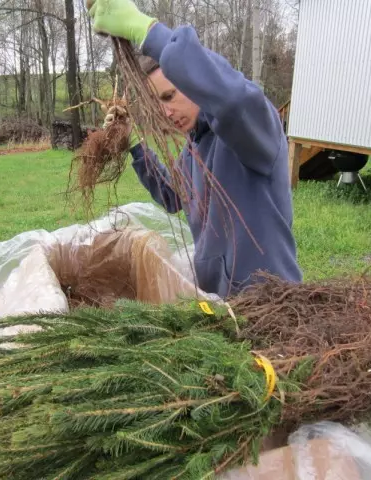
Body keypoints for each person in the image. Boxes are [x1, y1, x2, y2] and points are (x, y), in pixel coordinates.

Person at [87, 0, 302, 298]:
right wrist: (135, 144)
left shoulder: (252, 130)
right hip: (221, 304)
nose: (166, 112)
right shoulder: (194, 148)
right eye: (157, 103)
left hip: (273, 302)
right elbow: (173, 196)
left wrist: (146, 32)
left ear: (195, 82)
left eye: (169, 95)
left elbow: (233, 100)